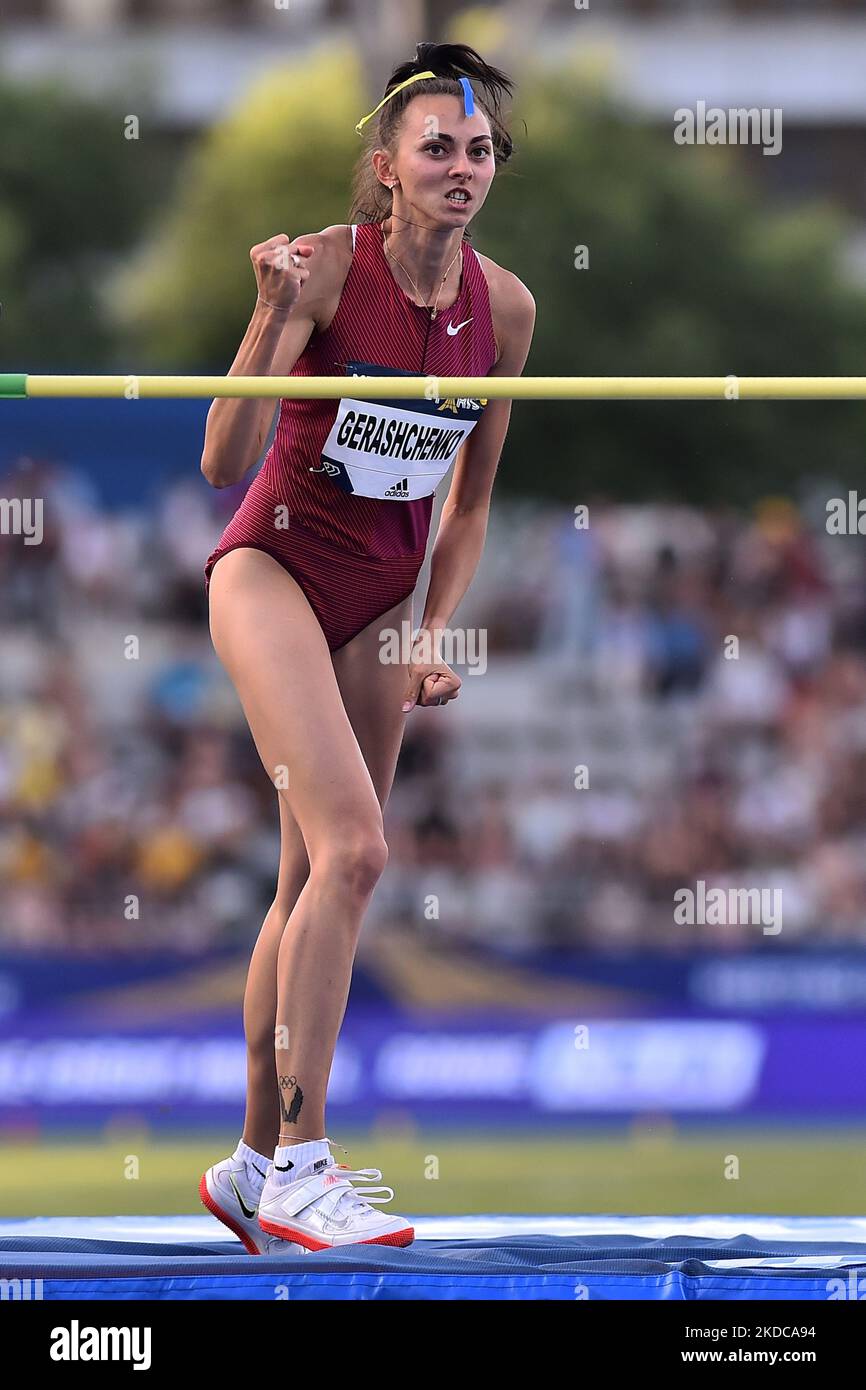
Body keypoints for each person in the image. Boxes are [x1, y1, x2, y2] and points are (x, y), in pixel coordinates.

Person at [198, 40, 536, 1253]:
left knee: (306, 887)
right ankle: (302, 1161)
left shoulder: (504, 310)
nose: (460, 165)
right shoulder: (330, 272)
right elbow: (223, 462)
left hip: (387, 599)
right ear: (384, 167)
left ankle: (248, 1161)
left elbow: (475, 501)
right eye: (435, 147)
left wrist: (434, 631)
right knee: (353, 850)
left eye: (479, 149)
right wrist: (271, 314)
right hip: (274, 568)